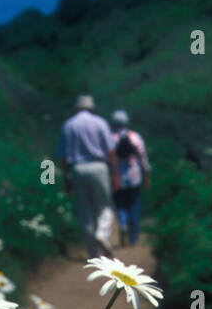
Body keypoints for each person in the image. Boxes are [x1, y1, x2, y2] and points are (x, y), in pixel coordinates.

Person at [56, 95, 116, 253]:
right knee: (104, 206)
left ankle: (93, 253)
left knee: (85, 210)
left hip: (78, 168)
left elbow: (63, 156)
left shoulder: (68, 125)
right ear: (92, 107)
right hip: (99, 166)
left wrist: (66, 180)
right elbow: (110, 151)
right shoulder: (100, 123)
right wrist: (115, 175)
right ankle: (102, 234)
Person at [110, 110, 151, 247]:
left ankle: (122, 224)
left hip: (117, 177)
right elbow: (142, 157)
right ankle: (133, 238)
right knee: (134, 205)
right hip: (134, 176)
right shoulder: (135, 137)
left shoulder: (110, 138)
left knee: (120, 204)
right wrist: (146, 175)